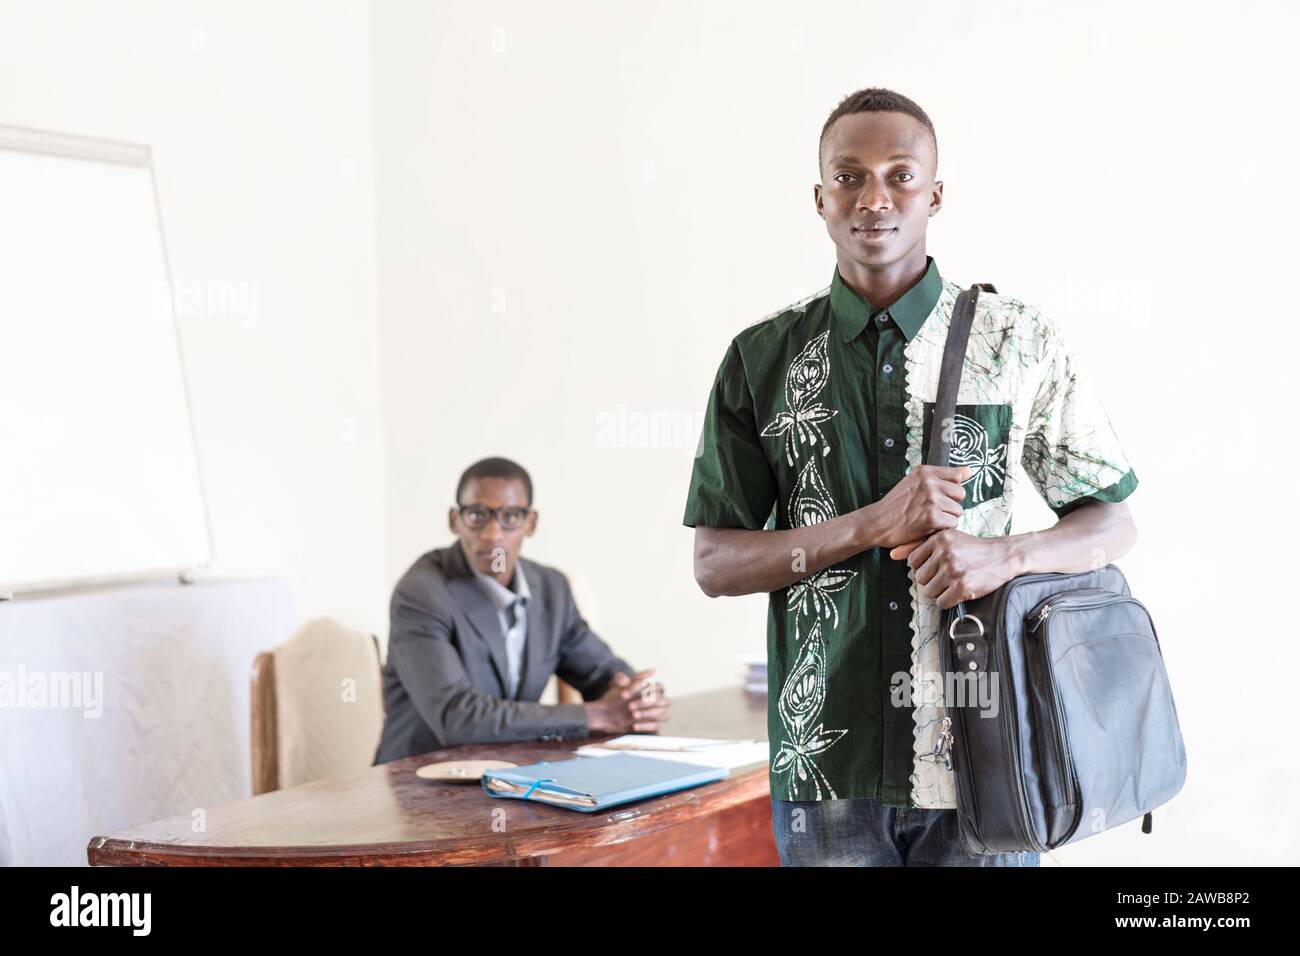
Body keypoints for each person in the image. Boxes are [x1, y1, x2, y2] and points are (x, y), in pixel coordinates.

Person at [682, 87, 1138, 866]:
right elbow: (715, 564)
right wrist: (867, 525)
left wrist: (1007, 555)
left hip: (989, 753)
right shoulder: (762, 358)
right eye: (849, 176)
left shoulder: (1017, 341)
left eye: (899, 174)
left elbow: (1113, 525)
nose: (874, 197)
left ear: (934, 193)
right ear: (819, 197)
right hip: (827, 771)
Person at [375, 456, 667, 763]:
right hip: (419, 784)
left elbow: (603, 672)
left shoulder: (551, 588)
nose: (492, 534)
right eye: (476, 515)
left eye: (510, 516)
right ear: (454, 520)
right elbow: (457, 717)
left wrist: (637, 697)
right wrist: (597, 715)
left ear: (531, 523)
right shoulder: (421, 593)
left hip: (512, 776)